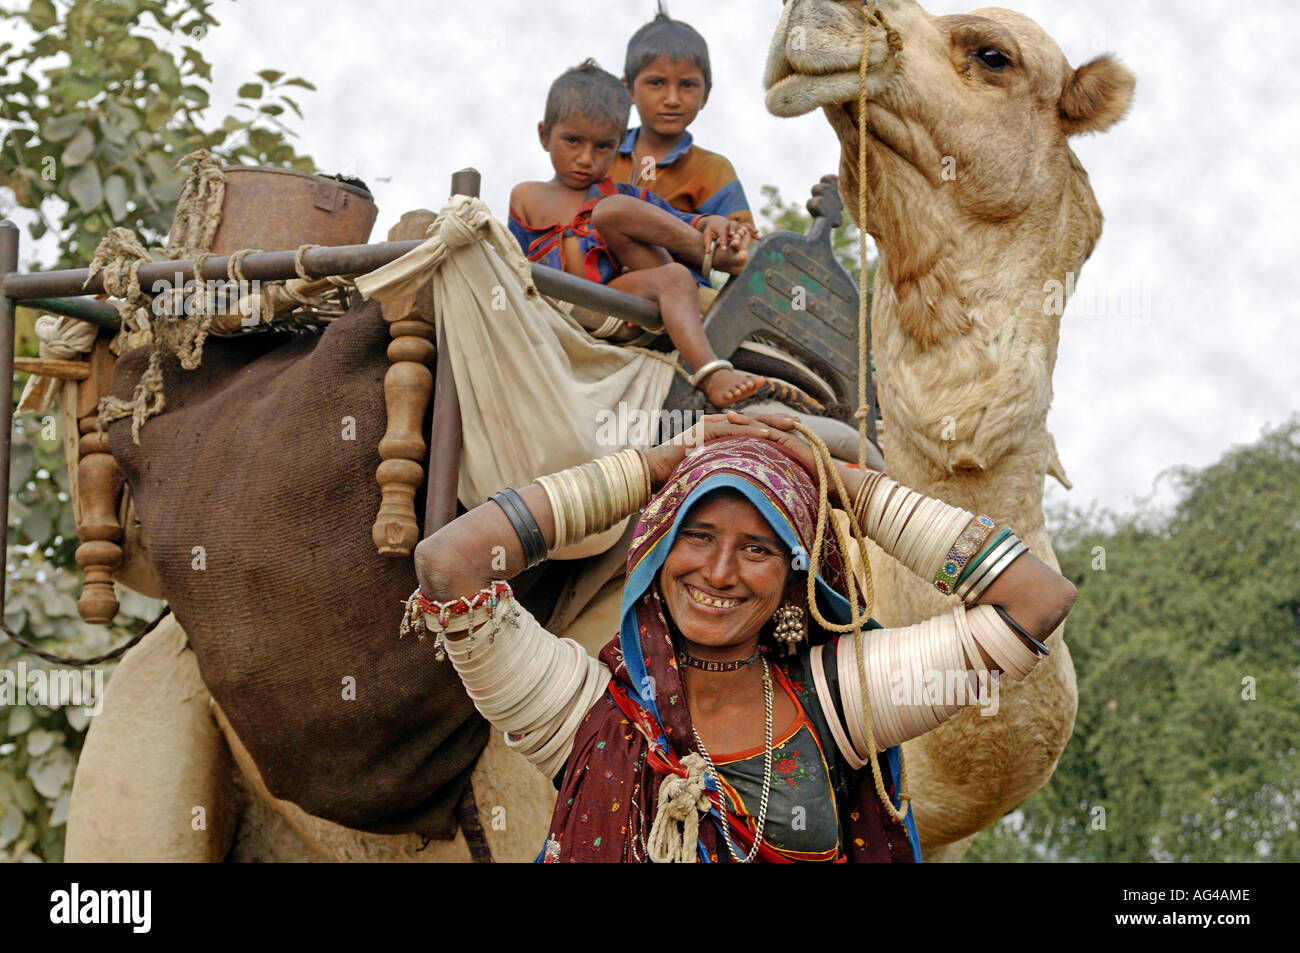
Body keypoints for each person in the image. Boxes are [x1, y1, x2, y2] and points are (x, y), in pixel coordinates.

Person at [409, 412, 1078, 863]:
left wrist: (847, 488)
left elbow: (1036, 599)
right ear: (657, 547)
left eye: (758, 547)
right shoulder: (579, 712)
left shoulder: (839, 700)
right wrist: (652, 467)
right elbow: (448, 564)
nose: (720, 572)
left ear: (792, 579)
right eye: (697, 535)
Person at [509, 60, 765, 409]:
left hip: (618, 302)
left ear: (618, 147)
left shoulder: (623, 195)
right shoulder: (526, 196)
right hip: (558, 307)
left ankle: (711, 371)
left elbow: (680, 218)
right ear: (544, 136)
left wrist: (709, 224)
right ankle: (707, 255)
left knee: (667, 266)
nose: (585, 158)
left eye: (603, 147)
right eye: (572, 141)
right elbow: (509, 263)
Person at [609, 4, 757, 232]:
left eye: (687, 85)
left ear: (705, 95)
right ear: (628, 89)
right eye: (656, 83)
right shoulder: (603, 153)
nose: (672, 99)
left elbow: (742, 239)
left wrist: (734, 237)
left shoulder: (712, 170)